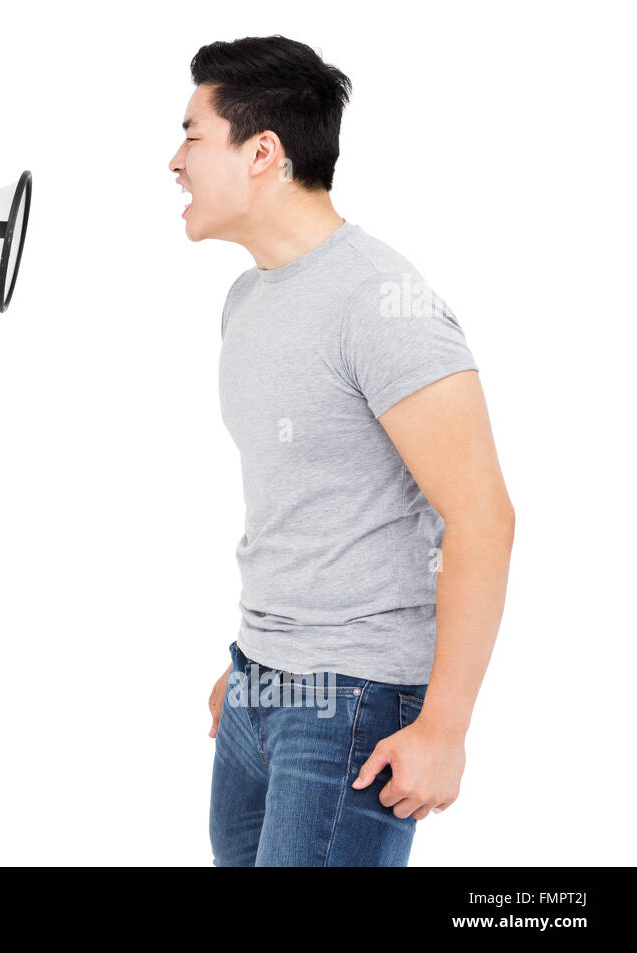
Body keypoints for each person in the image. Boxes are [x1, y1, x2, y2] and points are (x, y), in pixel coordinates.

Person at [168, 37, 515, 865]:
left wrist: (445, 727)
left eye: (190, 134)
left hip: (354, 710)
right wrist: (256, 667)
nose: (173, 161)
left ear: (262, 153)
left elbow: (484, 517)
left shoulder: (380, 303)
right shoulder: (247, 299)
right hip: (256, 688)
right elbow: (309, 501)